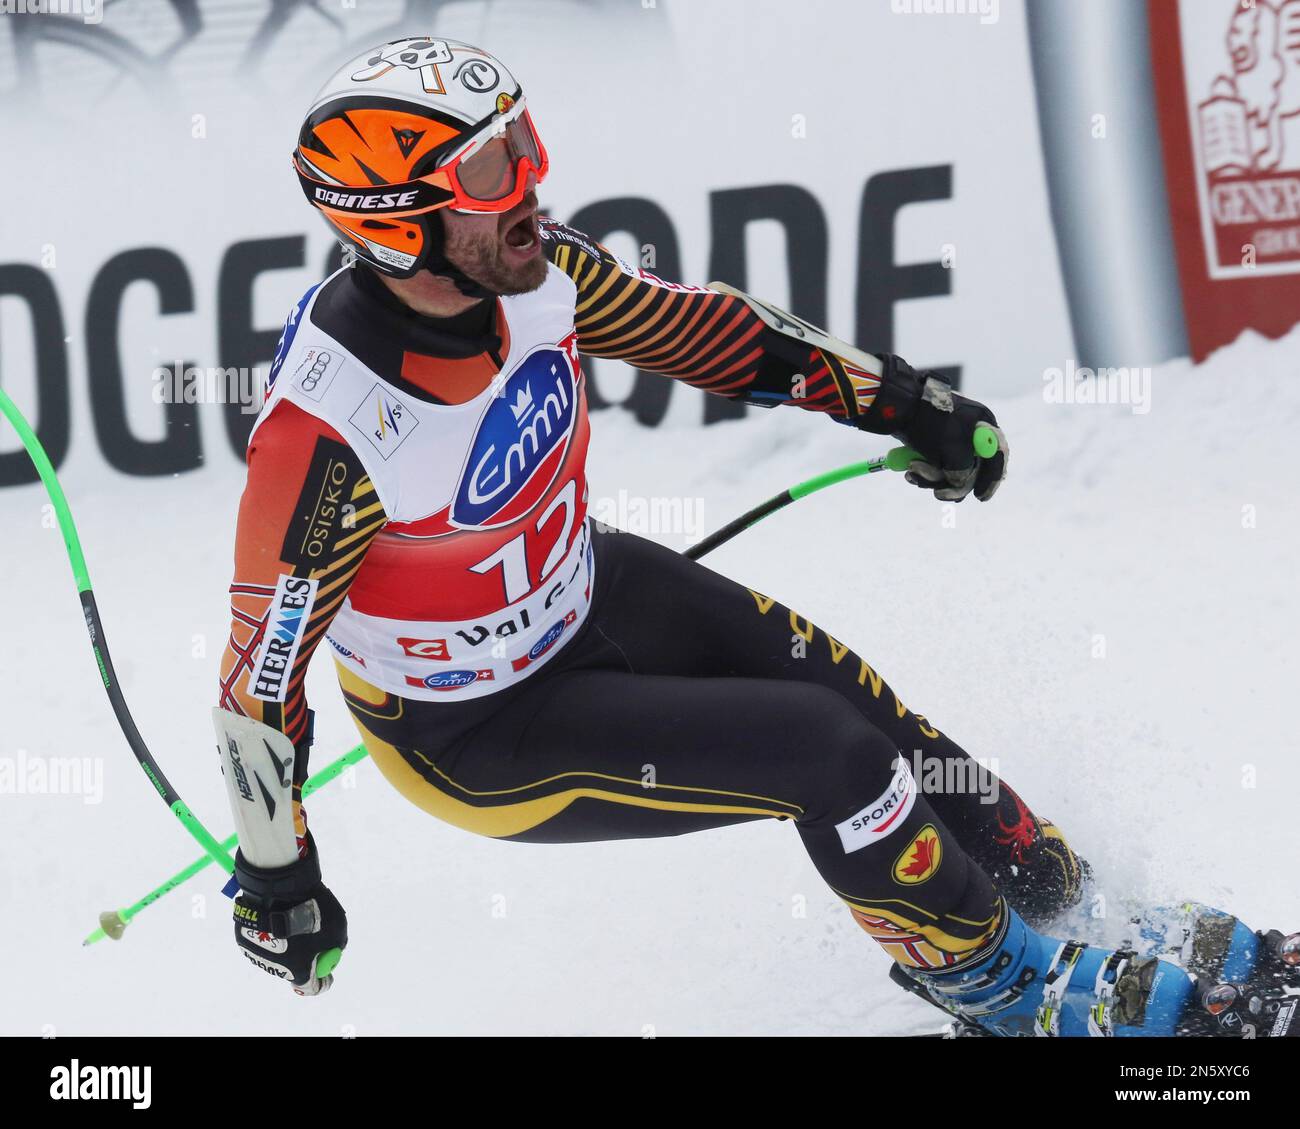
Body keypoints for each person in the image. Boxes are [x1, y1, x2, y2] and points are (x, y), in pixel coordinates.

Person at [212, 37, 1297, 1036]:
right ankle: (999, 986)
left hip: (587, 594)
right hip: (479, 729)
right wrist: (278, 883)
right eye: (493, 173)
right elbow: (256, 690)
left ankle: (1077, 908)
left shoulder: (536, 275)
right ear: (396, 217)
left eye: (524, 144)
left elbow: (708, 332)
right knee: (831, 758)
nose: (531, 189)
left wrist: (903, 403)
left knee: (870, 710)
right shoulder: (330, 432)